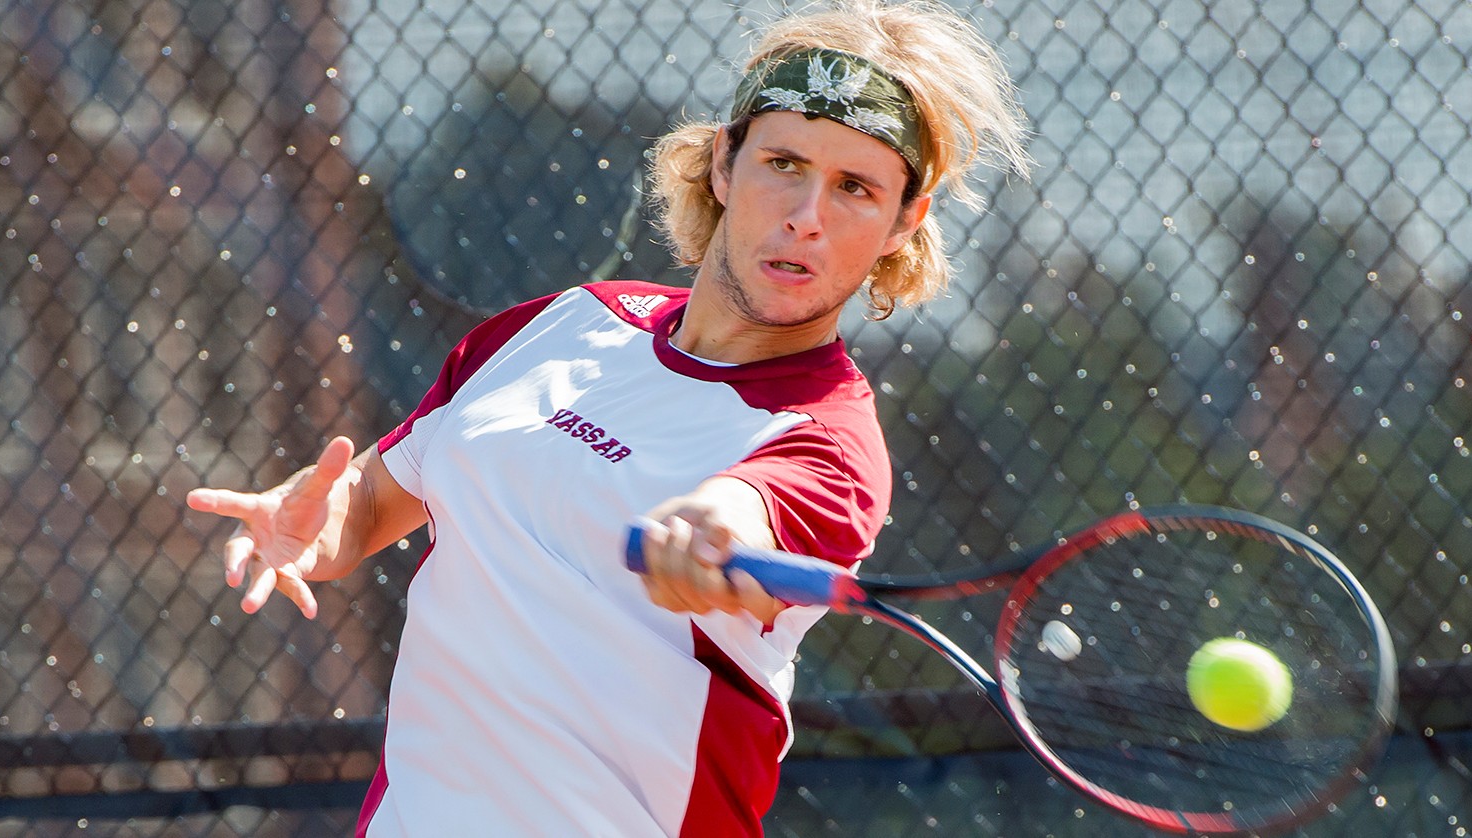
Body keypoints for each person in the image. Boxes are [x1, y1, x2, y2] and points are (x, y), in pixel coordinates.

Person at [186, 0, 1029, 834]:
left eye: (854, 187)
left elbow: (744, 513)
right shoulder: (564, 323)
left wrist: (708, 530)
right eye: (783, 164)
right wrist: (318, 516)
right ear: (724, 165)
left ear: (902, 222)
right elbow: (372, 498)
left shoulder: (829, 439)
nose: (807, 215)